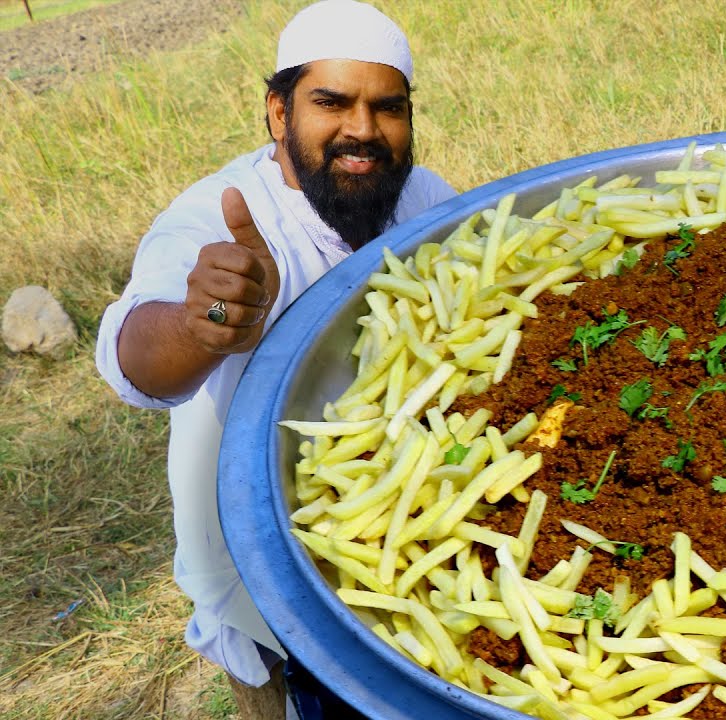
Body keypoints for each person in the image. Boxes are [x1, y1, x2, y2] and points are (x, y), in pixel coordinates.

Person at [94, 1, 456, 717]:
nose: (362, 129)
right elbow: (131, 359)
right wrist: (213, 324)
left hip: (419, 531)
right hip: (271, 558)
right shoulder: (219, 215)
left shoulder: (424, 198)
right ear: (278, 112)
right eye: (331, 102)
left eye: (388, 107)